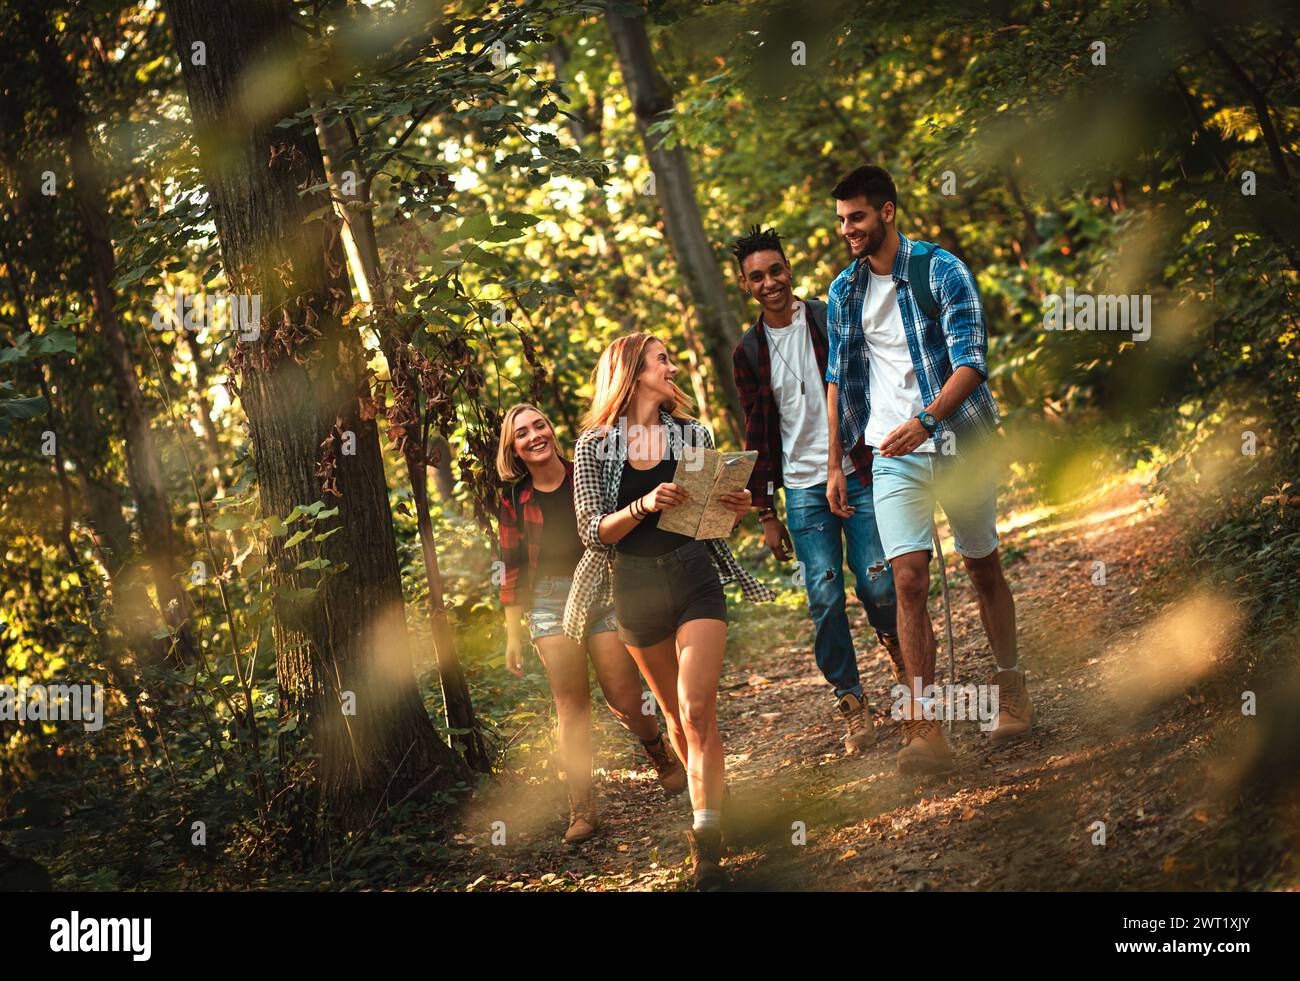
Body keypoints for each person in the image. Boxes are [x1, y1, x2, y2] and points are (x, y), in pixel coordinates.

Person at [824, 165, 1033, 775]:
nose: (848, 230)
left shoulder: (941, 269)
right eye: (841, 221)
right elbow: (839, 378)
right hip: (889, 456)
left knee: (982, 564)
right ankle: (925, 727)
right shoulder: (843, 292)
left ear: (887, 212)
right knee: (907, 582)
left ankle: (1011, 686)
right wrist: (836, 461)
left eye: (857, 217)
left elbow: (971, 362)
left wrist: (927, 419)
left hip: (959, 442)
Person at [562, 334, 775, 890]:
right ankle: (718, 800)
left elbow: (711, 522)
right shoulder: (593, 445)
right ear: (632, 373)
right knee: (676, 719)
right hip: (631, 589)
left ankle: (706, 846)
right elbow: (591, 531)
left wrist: (735, 505)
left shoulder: (692, 434)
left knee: (697, 707)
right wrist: (643, 503)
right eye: (662, 359)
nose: (672, 366)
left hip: (693, 576)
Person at [731, 224, 904, 755]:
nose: (770, 283)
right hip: (802, 489)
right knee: (824, 595)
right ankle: (851, 701)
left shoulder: (831, 318)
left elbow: (874, 382)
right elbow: (756, 432)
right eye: (756, 277)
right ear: (746, 286)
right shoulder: (749, 350)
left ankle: (897, 644)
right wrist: (764, 512)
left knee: (877, 581)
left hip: (856, 468)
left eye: (776, 270)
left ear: (789, 269)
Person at [497, 403, 687, 844]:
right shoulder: (513, 498)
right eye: (522, 433)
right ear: (515, 450)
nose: (534, 436)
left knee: (623, 696)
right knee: (571, 704)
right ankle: (581, 804)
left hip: (602, 590)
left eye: (539, 425)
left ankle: (656, 747)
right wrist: (511, 635)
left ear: (551, 430)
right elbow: (510, 567)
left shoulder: (587, 470)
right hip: (547, 604)